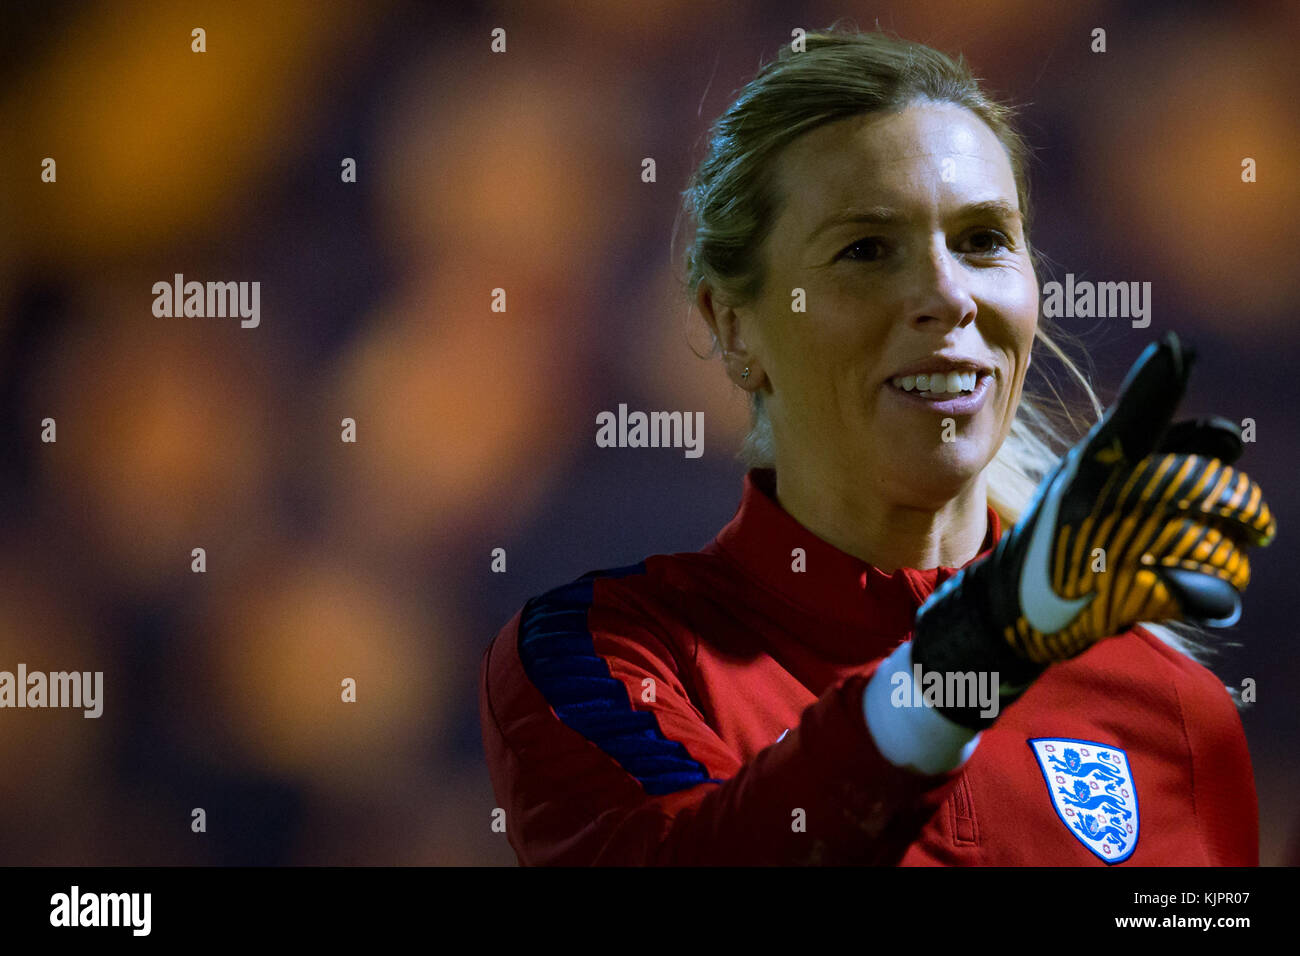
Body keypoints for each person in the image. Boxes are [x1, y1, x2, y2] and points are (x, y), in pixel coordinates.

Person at [478, 27, 1276, 865]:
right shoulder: (603, 658)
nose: (946, 294)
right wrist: (971, 654)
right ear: (733, 325)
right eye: (865, 250)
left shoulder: (1175, 710)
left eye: (982, 241)